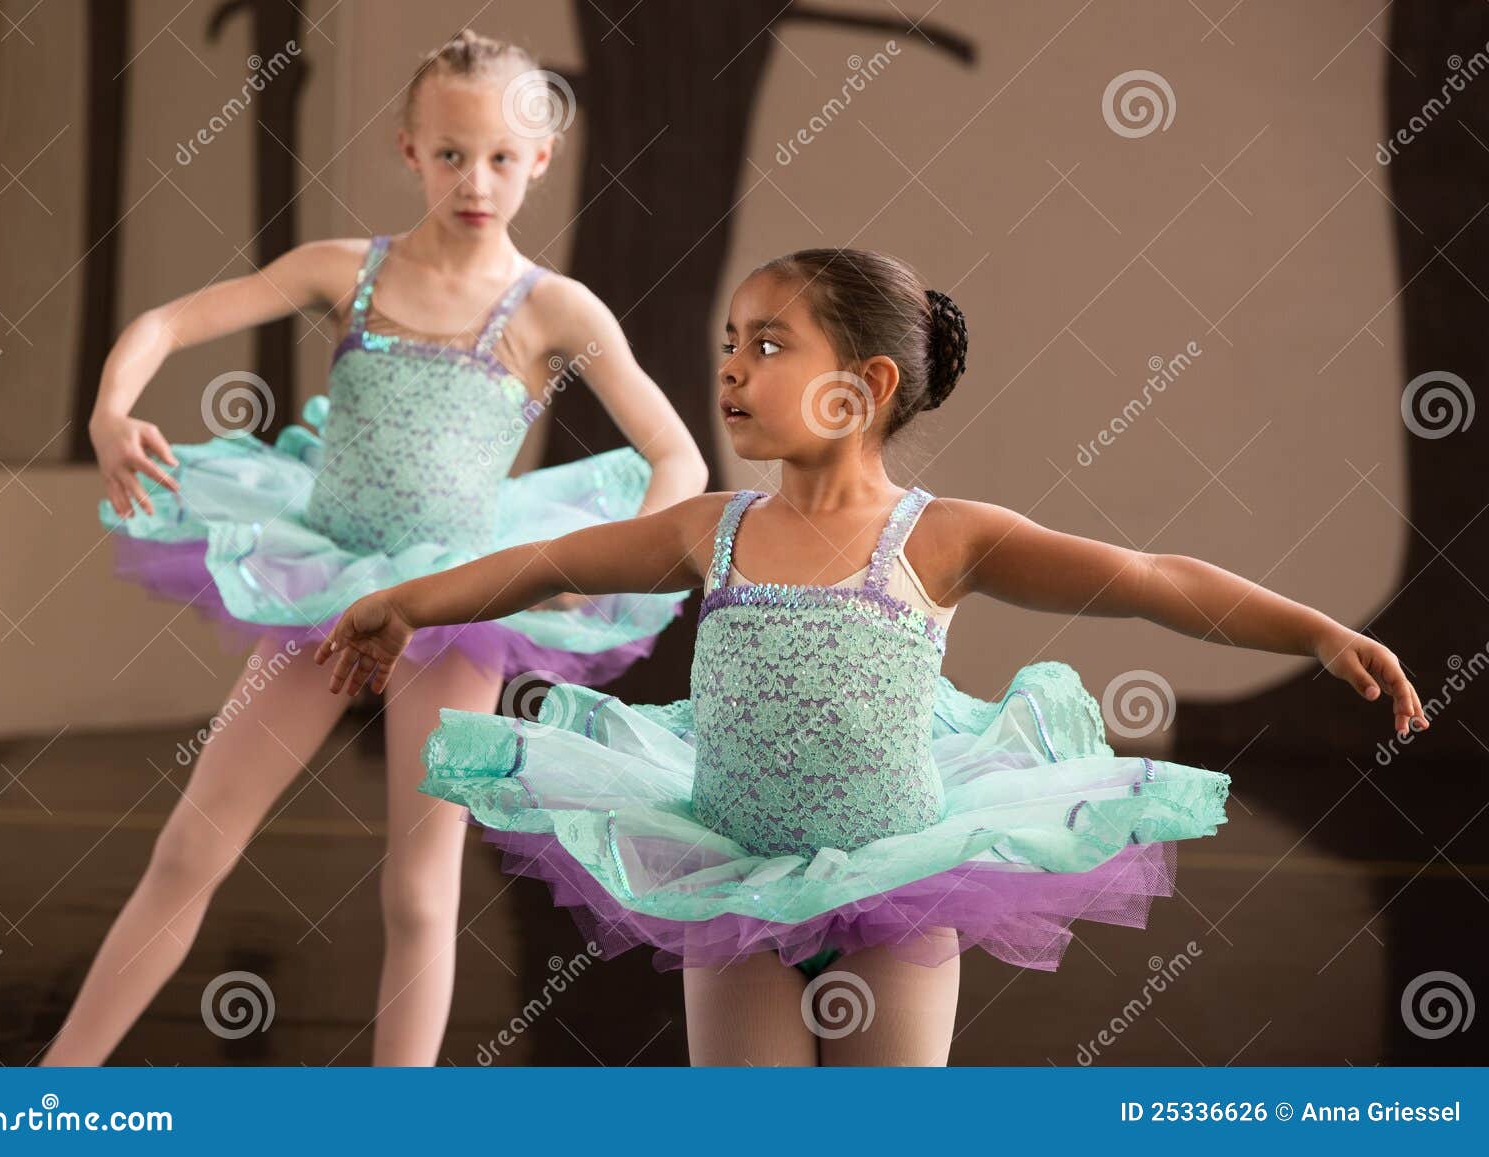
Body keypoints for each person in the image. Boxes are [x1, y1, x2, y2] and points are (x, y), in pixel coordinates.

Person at [315, 247, 1427, 1066]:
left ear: (868, 384)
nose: (733, 369)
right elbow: (550, 557)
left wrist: (1312, 628)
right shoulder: (712, 528)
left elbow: (1147, 578)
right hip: (732, 879)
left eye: (767, 344)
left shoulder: (942, 537)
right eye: (728, 344)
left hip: (898, 884)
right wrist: (402, 602)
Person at [42, 29, 706, 1067]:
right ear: (408, 150)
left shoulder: (553, 309)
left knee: (418, 885)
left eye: (498, 157)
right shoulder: (345, 270)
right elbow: (165, 323)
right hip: (327, 578)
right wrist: (111, 411)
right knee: (190, 847)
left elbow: (678, 460)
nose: (473, 179)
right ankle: (56, 1089)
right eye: (449, 154)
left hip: (456, 603)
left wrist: (593, 562)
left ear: (539, 157)